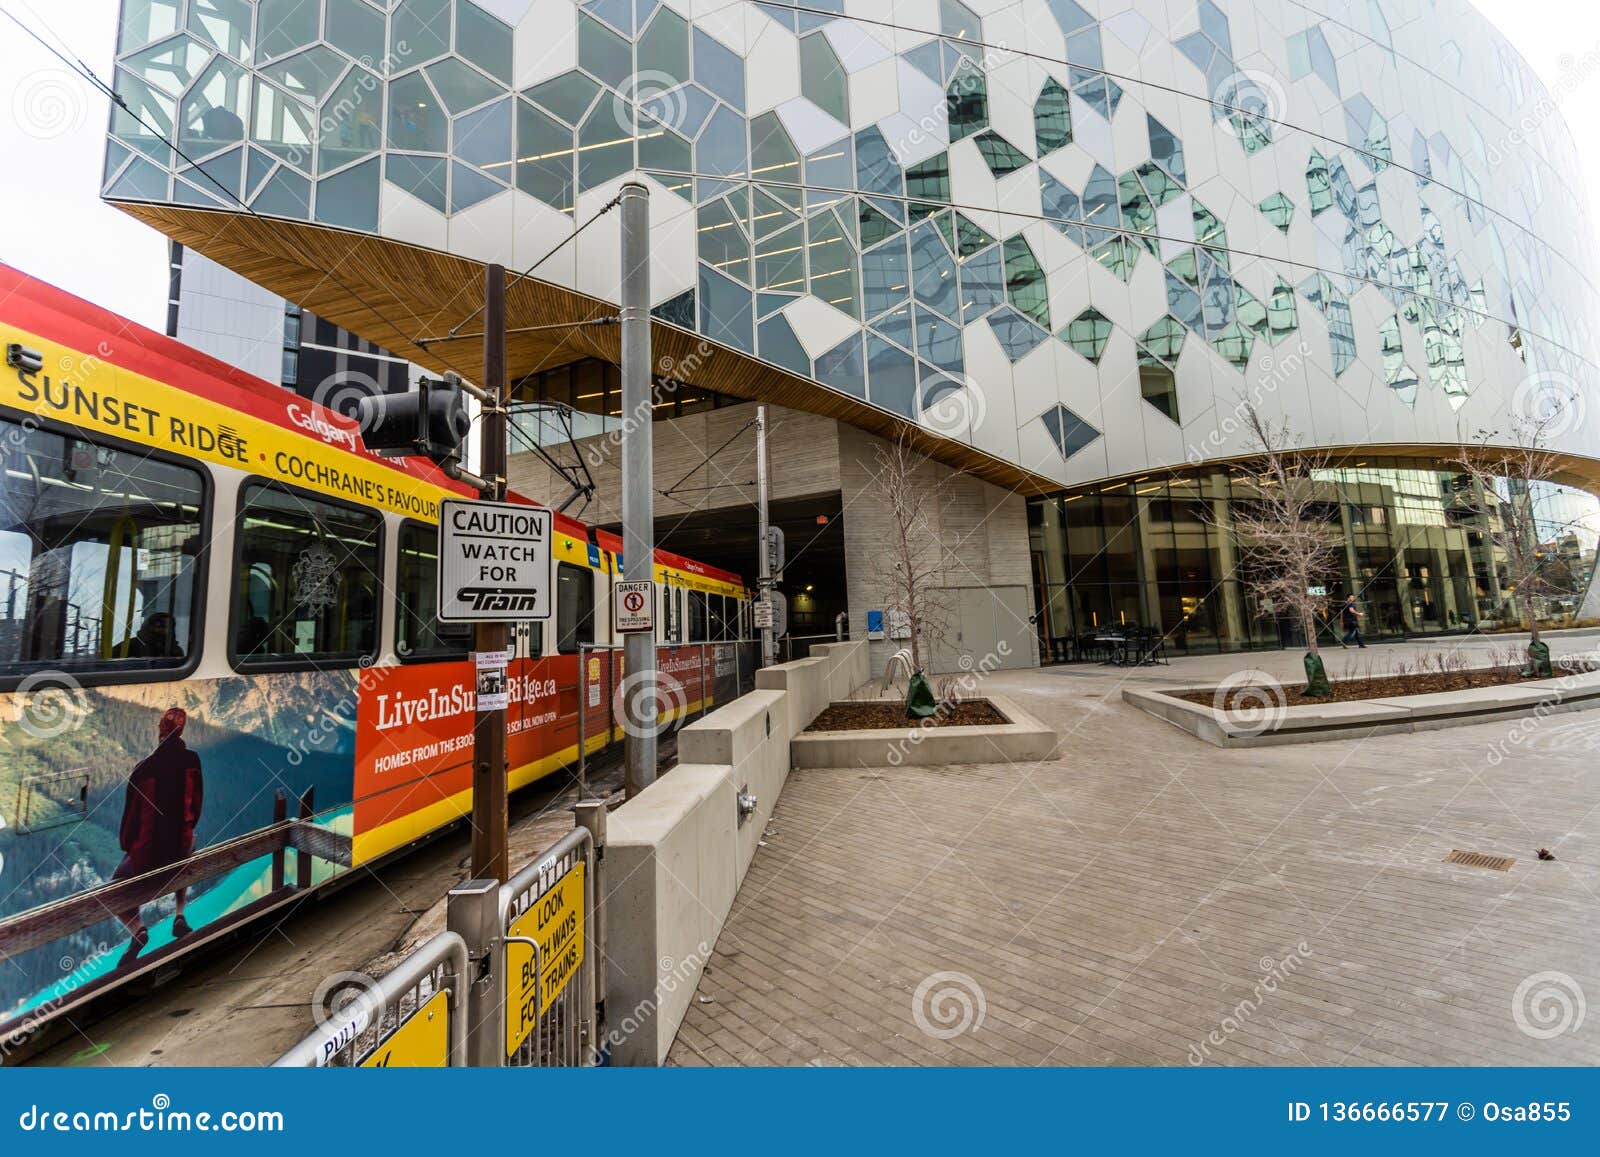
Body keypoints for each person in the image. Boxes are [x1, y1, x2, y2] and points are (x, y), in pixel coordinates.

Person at [112, 707, 204, 966]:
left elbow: (129, 821)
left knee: (116, 885)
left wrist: (130, 848)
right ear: (181, 731)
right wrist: (184, 830)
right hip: (180, 846)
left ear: (160, 732)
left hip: (148, 855)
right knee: (191, 842)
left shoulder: (143, 770)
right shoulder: (192, 761)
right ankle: (179, 914)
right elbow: (196, 806)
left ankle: (138, 930)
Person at [119, 611, 183, 659]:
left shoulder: (175, 650)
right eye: (156, 625)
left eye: (166, 626)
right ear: (147, 626)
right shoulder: (128, 646)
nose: (159, 629)